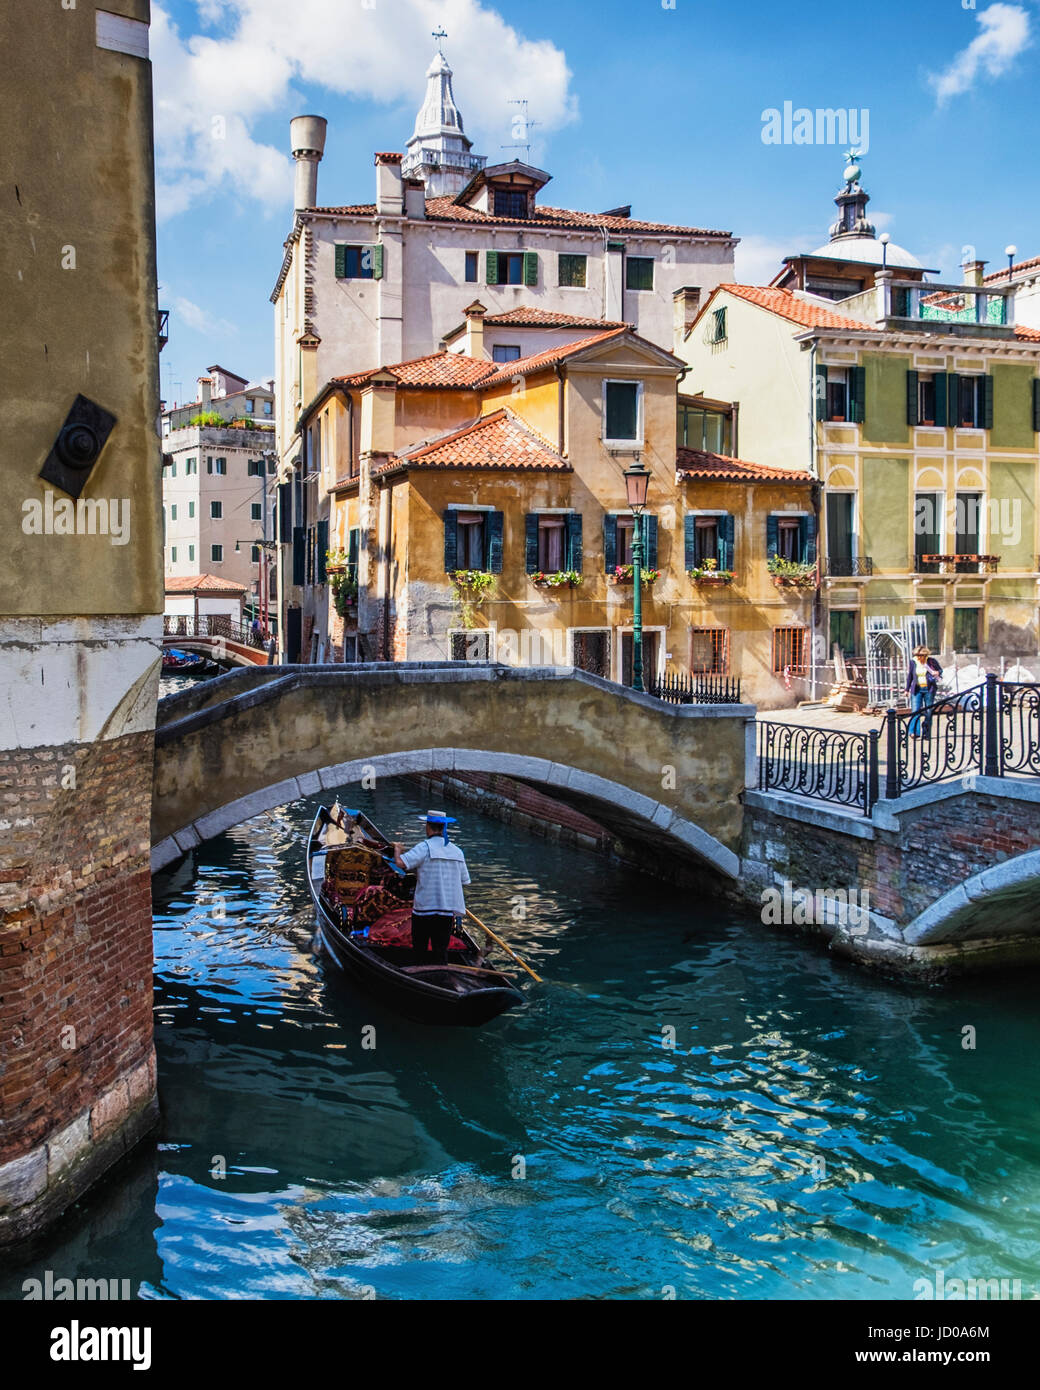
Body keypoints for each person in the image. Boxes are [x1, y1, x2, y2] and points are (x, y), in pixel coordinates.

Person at [393, 811, 470, 965]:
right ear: (443, 828)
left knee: (419, 951)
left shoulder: (424, 848)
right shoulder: (457, 852)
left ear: (428, 827)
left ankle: (419, 975)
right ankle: (441, 978)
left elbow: (401, 864)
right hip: (446, 911)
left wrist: (397, 850)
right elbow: (464, 880)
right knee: (440, 952)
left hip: (424, 911)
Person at [906, 644, 943, 736]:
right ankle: (914, 732)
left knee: (929, 711)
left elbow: (940, 670)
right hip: (917, 689)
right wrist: (906, 689)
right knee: (915, 710)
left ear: (925, 655)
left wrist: (937, 672)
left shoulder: (931, 661)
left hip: (929, 689)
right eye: (916, 655)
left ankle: (926, 732)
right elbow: (910, 676)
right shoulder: (913, 662)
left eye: (920, 655)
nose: (918, 657)